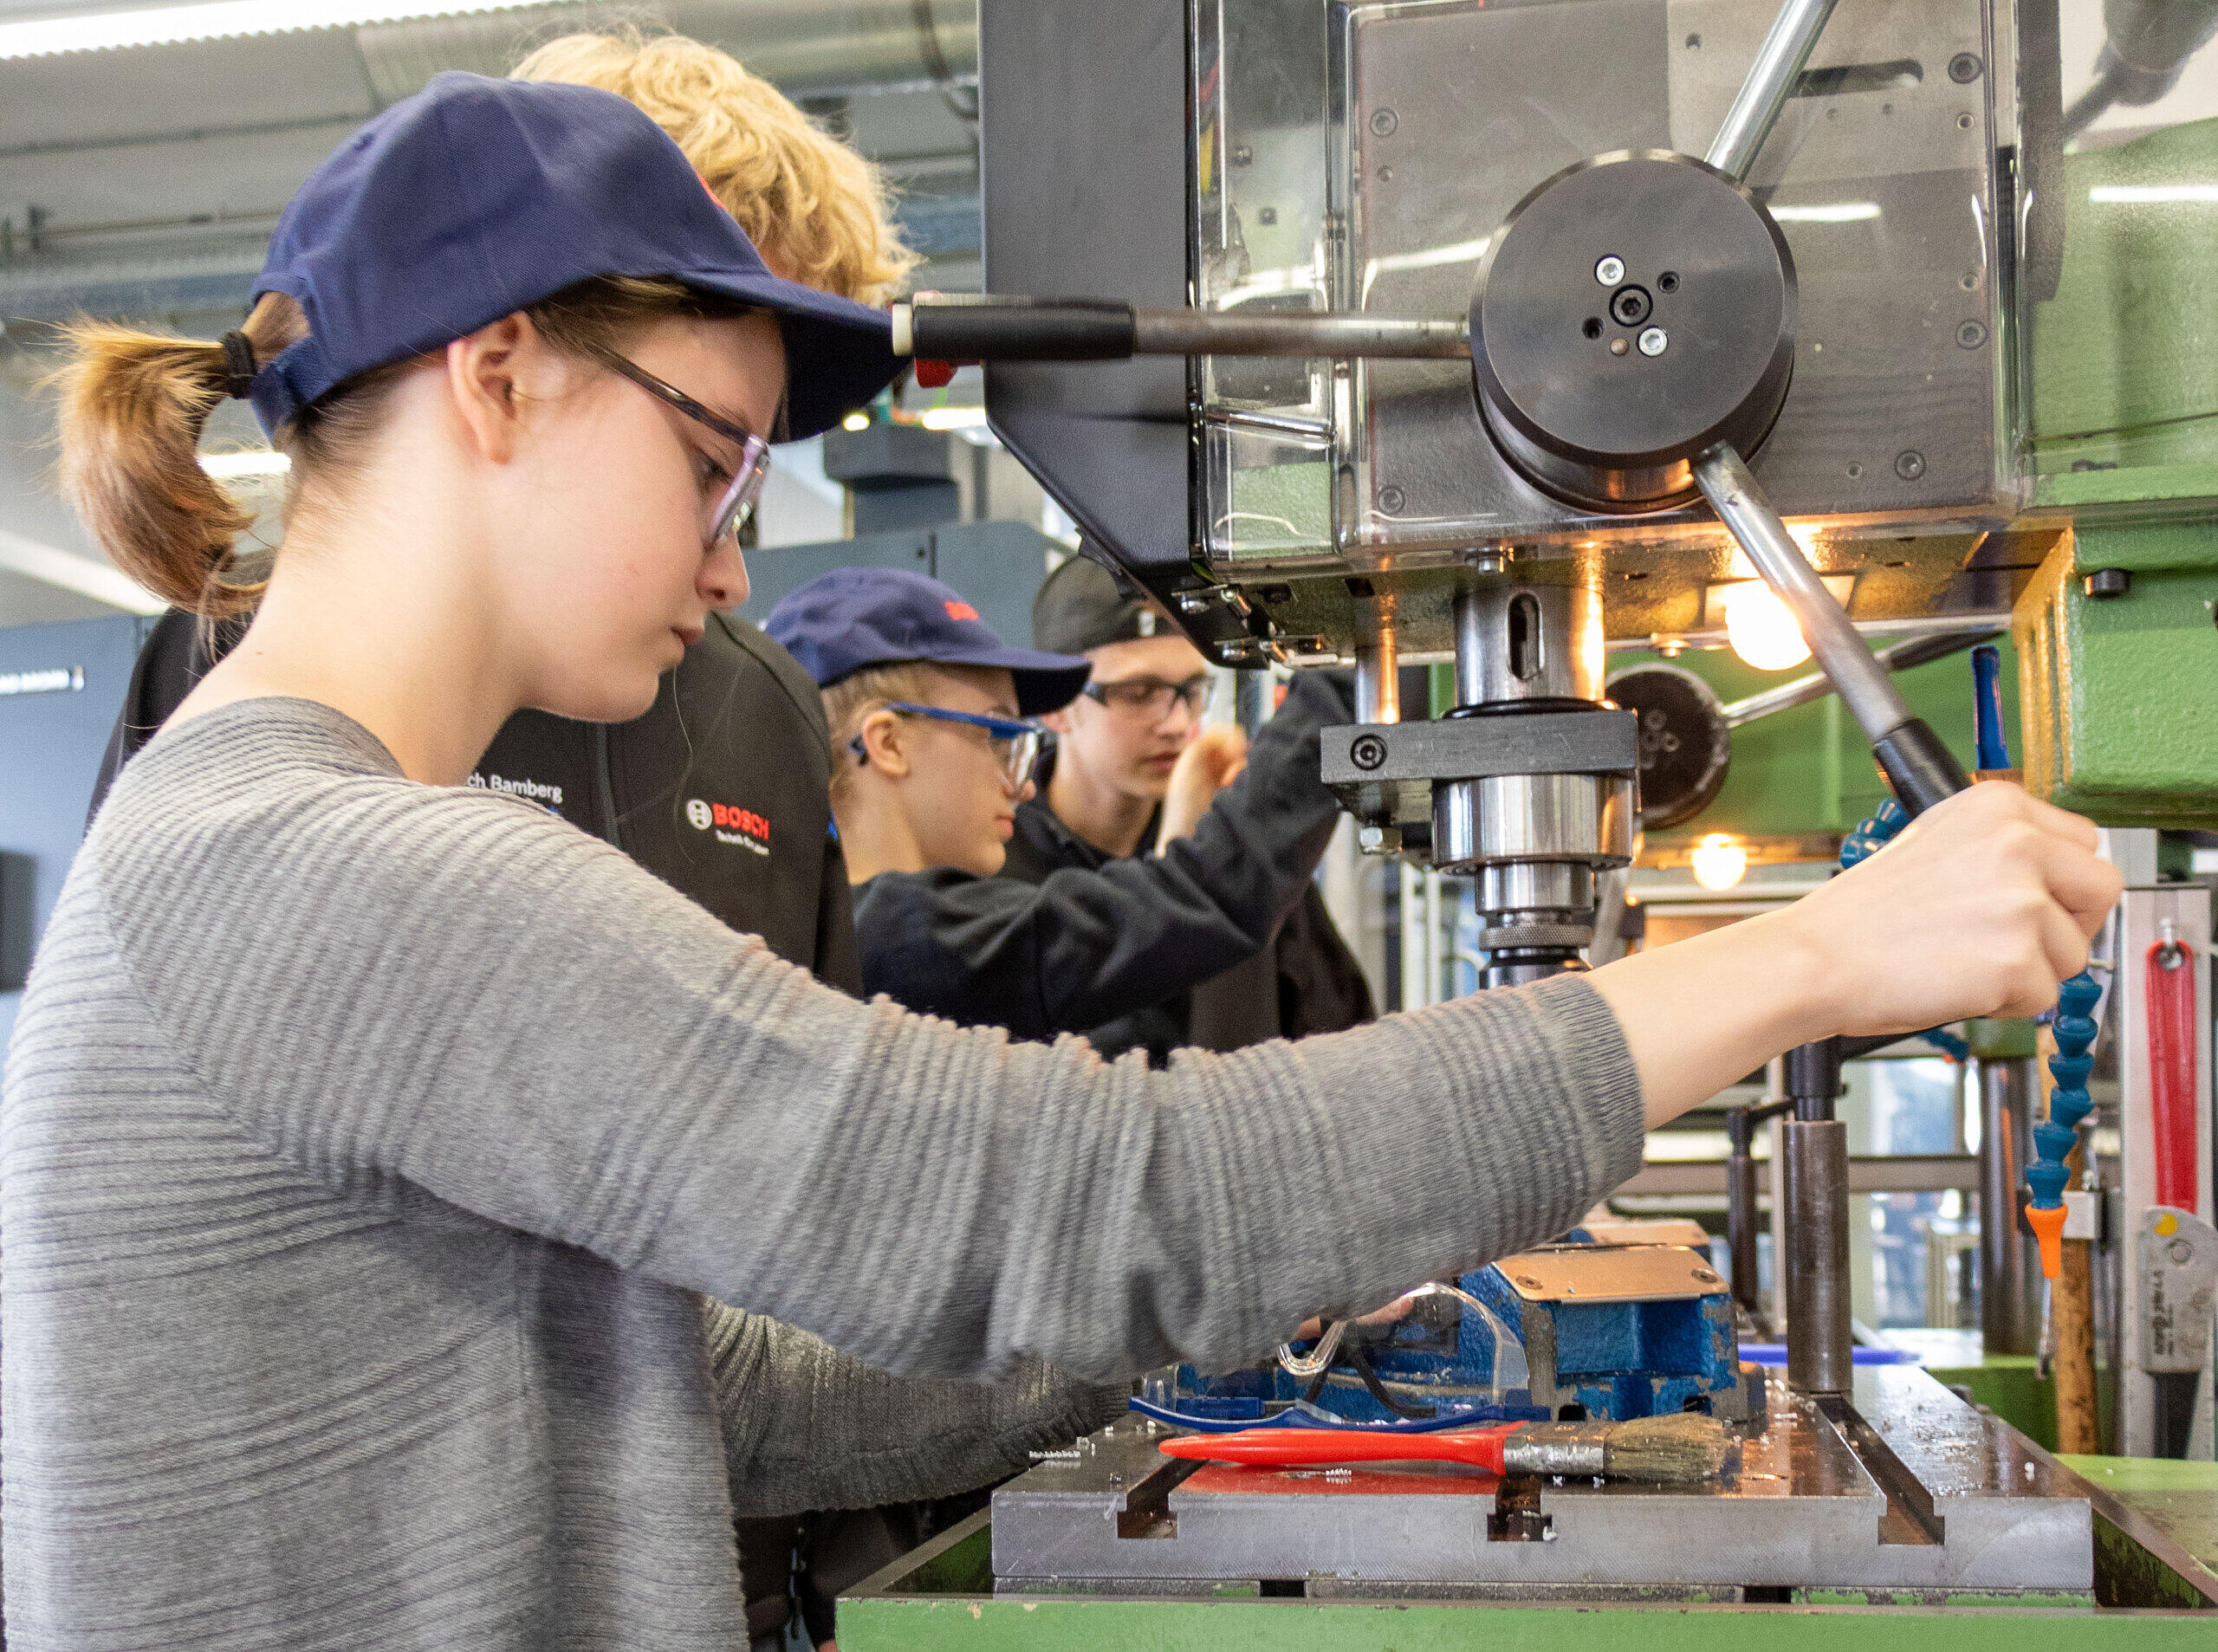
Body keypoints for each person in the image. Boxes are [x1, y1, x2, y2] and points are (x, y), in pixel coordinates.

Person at [12, 70, 2117, 1651]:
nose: (736, 556)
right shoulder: (318, 870)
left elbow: (725, 1393)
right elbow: (1054, 1196)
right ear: (495, 378)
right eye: (710, 461)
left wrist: (1268, 1307)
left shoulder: (251, 848)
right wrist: (1790, 964)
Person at [764, 566, 1363, 1040]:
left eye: (1189, 692)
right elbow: (1211, 900)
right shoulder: (899, 939)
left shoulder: (809, 929)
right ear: (888, 742)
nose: (1019, 785)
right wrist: (1360, 636)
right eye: (997, 734)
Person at [1013, 548, 1373, 1061]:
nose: (1177, 723)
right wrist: (1184, 863)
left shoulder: (1232, 844)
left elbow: (1342, 1046)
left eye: (1191, 690)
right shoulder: (997, 869)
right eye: (1140, 692)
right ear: (1054, 707)